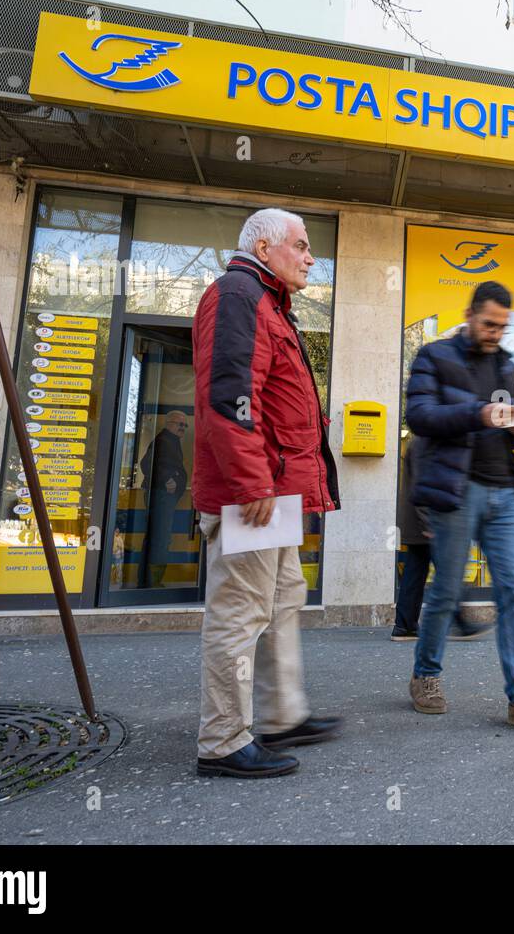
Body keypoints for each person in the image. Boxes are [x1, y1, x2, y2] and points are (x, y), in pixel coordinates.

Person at [191, 207, 342, 779]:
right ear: (262, 245)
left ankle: (282, 714)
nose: (310, 257)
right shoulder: (238, 294)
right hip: (251, 491)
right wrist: (251, 481)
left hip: (272, 492)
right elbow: (231, 393)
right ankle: (223, 741)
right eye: (301, 246)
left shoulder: (267, 302)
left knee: (280, 602)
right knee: (240, 611)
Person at [404, 281, 514, 732]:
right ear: (470, 314)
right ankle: (425, 675)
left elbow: (510, 423)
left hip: (504, 490)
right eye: (489, 323)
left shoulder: (508, 366)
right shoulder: (433, 356)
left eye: (503, 326)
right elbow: (419, 416)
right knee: (447, 590)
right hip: (457, 489)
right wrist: (477, 413)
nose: (496, 332)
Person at [392, 434, 492, 642]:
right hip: (427, 523)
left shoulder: (420, 440)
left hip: (419, 524)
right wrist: (429, 525)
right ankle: (462, 625)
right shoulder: (423, 443)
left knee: (414, 574)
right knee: (449, 572)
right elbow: (420, 485)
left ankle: (405, 626)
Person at [139, 410, 189, 587]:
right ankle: (152, 582)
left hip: (162, 496)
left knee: (159, 536)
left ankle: (151, 581)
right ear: (169, 424)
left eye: (185, 425)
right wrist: (167, 479)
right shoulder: (163, 440)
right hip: (160, 496)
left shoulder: (171, 441)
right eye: (179, 424)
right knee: (160, 537)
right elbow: (146, 464)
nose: (183, 428)